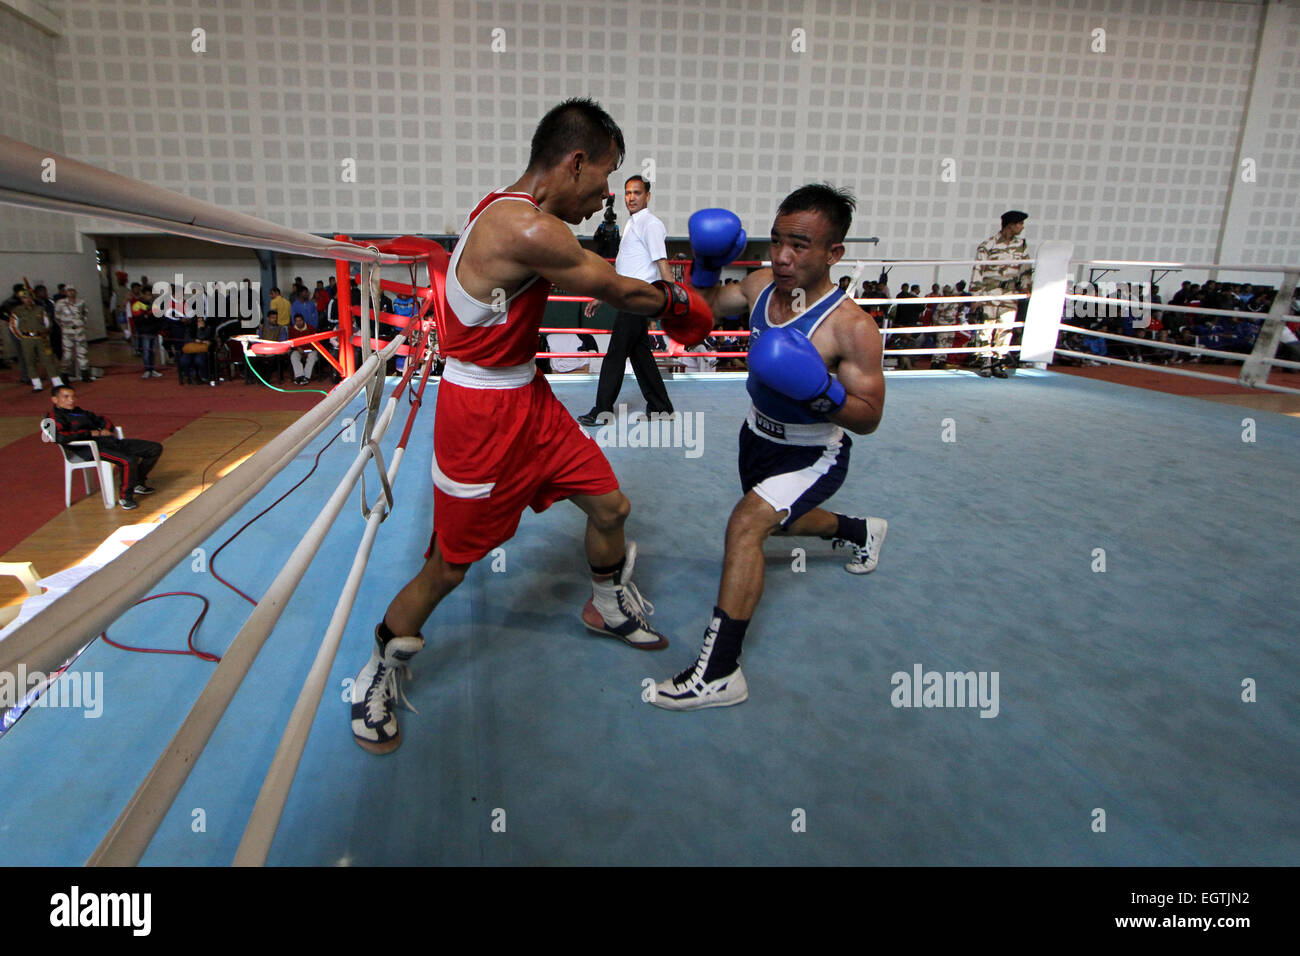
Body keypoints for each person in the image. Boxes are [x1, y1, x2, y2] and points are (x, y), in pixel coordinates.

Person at [350, 97, 715, 754]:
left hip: (531, 400)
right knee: (448, 568)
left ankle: (605, 604)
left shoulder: (508, 205)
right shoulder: (526, 229)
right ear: (573, 162)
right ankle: (376, 671)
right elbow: (622, 293)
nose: (605, 196)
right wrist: (685, 301)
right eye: (602, 177)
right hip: (480, 417)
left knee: (611, 506)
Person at [648, 184, 888, 710]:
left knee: (746, 525)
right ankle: (861, 531)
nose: (782, 256)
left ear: (834, 254)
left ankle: (719, 672)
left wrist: (820, 389)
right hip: (754, 436)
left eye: (799, 245)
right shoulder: (759, 287)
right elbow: (702, 312)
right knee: (784, 523)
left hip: (812, 452)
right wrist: (705, 268)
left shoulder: (851, 328)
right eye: (777, 240)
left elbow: (869, 417)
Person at [577, 175, 678, 425]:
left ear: (648, 196)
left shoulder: (650, 224)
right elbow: (624, 269)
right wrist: (602, 297)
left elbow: (661, 262)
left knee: (615, 354)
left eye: (637, 193)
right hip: (628, 297)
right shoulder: (632, 224)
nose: (631, 197)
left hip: (637, 297)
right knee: (640, 355)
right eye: (628, 193)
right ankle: (661, 407)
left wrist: (676, 300)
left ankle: (602, 411)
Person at [50, 385, 162, 510]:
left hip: (109, 442)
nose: (71, 400)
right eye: (66, 397)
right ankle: (126, 497)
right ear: (55, 400)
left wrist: (106, 429)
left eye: (73, 396)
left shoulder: (80, 412)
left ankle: (137, 481)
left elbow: (104, 420)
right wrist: (91, 434)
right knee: (128, 460)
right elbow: (59, 438)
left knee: (154, 448)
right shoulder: (53, 417)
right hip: (89, 449)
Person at [971, 210, 1032, 378]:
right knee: (987, 326)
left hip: (1010, 292)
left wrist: (1026, 288)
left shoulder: (1021, 245)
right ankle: (985, 360)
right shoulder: (988, 245)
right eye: (1019, 224)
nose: (1021, 227)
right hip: (990, 291)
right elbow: (978, 270)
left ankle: (999, 360)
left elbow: (1025, 269)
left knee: (1006, 326)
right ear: (1010, 225)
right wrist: (975, 297)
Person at [9, 288, 65, 392]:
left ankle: (57, 382)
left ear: (32, 297)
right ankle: (37, 384)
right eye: (24, 298)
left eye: (28, 297)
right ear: (21, 299)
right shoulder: (17, 311)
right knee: (30, 361)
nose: (27, 300)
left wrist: (45, 333)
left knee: (48, 359)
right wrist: (21, 337)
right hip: (27, 339)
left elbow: (47, 322)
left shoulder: (40, 309)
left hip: (41, 338)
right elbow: (13, 326)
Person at [53, 286, 92, 382]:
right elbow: (57, 317)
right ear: (65, 292)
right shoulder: (60, 303)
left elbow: (84, 314)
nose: (71, 293)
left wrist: (80, 324)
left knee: (82, 352)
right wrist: (65, 326)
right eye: (69, 291)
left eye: (73, 291)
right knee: (67, 354)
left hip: (79, 331)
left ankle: (85, 374)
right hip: (67, 331)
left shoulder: (81, 302)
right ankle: (64, 375)